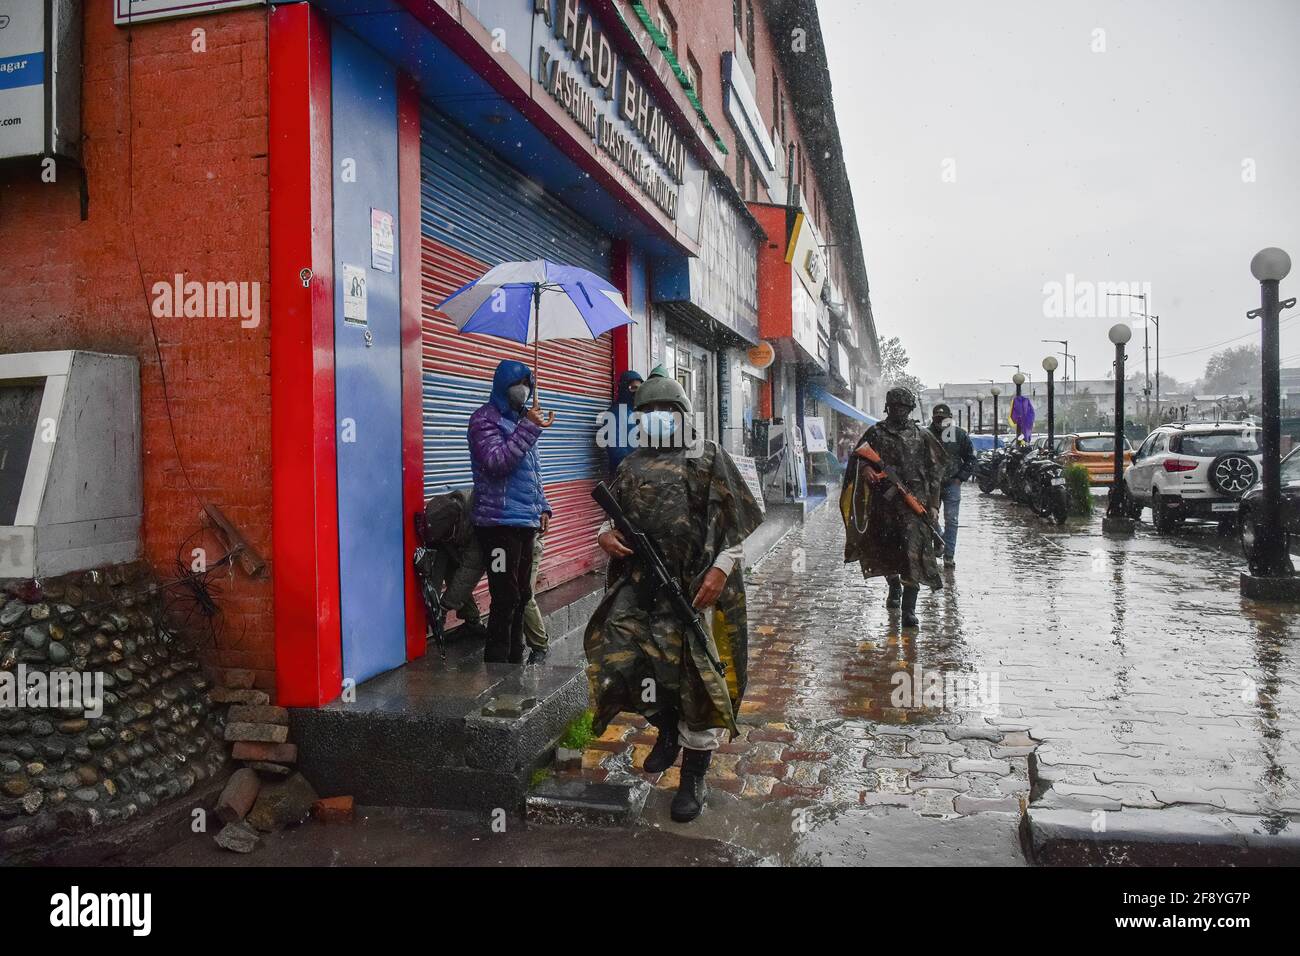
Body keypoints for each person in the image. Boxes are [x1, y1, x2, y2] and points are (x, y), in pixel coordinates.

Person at [586, 374, 763, 823]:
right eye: (648, 414)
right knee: (626, 662)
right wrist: (603, 536)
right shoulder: (631, 465)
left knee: (699, 681)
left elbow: (735, 522)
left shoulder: (707, 458)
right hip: (643, 590)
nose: (657, 420)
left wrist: (722, 569)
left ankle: (693, 777)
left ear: (683, 415)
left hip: (695, 591)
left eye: (666, 412)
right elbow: (611, 520)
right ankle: (666, 728)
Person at [468, 359, 553, 664]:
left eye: (529, 385)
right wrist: (529, 427)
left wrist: (543, 506)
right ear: (503, 386)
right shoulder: (484, 421)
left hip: (524, 521)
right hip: (497, 523)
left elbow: (533, 470)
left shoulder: (521, 419)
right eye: (520, 385)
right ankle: (496, 664)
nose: (525, 391)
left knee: (522, 597)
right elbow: (497, 463)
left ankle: (514, 662)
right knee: (506, 597)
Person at [839, 386, 945, 629]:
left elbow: (935, 473)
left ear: (910, 409)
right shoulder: (875, 433)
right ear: (888, 407)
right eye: (895, 406)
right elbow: (858, 460)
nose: (899, 411)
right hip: (884, 504)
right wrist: (867, 470)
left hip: (914, 505)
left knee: (913, 555)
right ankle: (893, 585)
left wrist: (934, 505)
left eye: (904, 407)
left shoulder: (922, 435)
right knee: (889, 551)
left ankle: (909, 610)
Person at [927, 402, 976, 567]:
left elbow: (971, 458)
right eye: (937, 418)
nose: (940, 421)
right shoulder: (925, 435)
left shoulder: (959, 435)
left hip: (952, 483)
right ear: (933, 418)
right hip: (931, 484)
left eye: (943, 418)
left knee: (952, 520)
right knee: (928, 518)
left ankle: (948, 555)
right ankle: (940, 540)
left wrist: (960, 477)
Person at [603, 370, 644, 473]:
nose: (636, 392)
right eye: (633, 388)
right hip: (623, 474)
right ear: (624, 388)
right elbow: (615, 449)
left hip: (641, 472)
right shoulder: (613, 413)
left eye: (639, 388)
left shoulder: (640, 412)